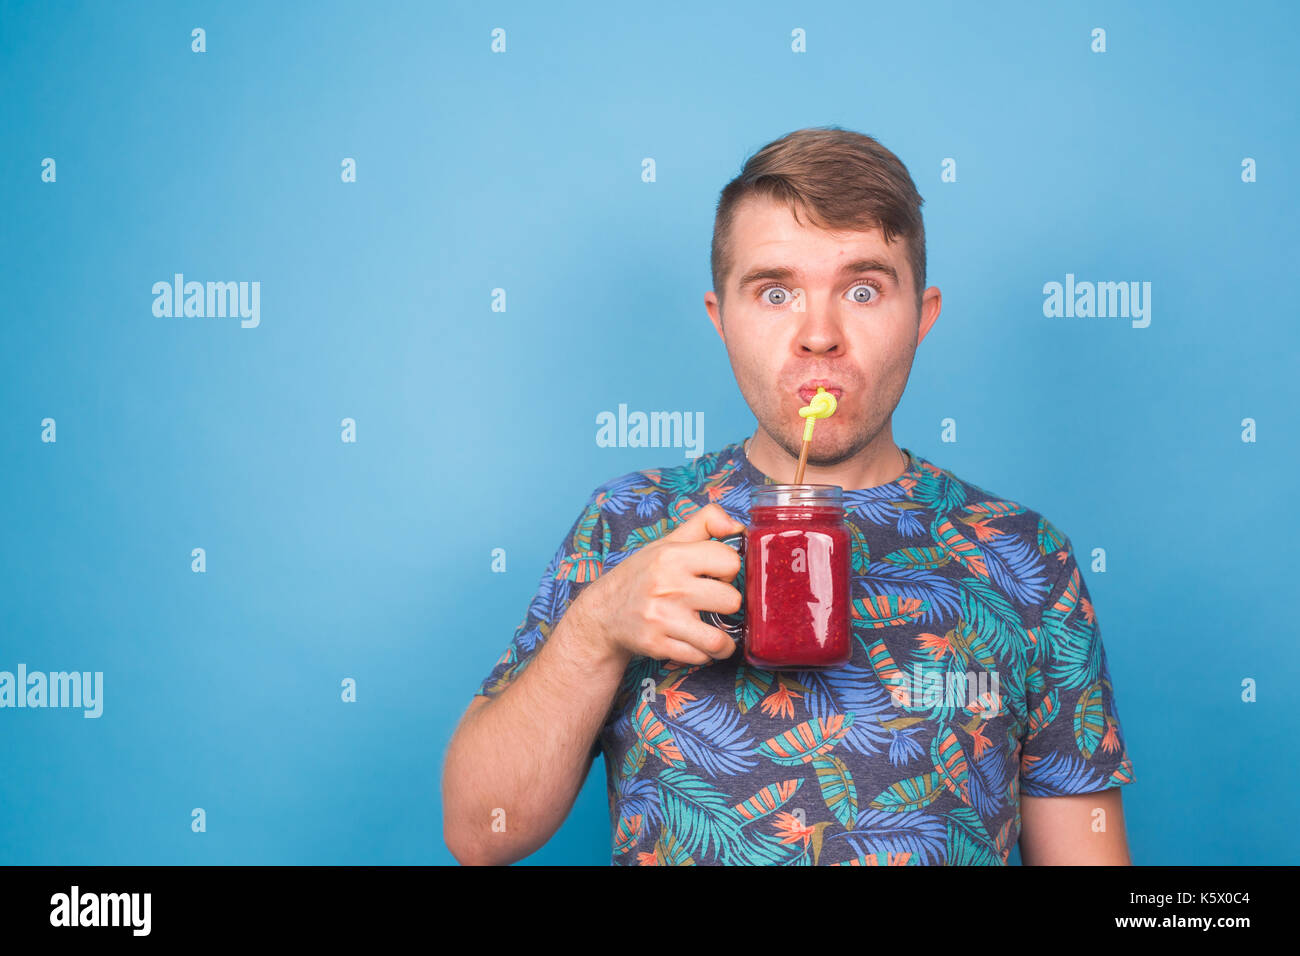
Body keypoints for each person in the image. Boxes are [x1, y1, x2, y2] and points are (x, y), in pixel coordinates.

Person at [441, 126, 1136, 866]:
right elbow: (481, 833)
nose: (819, 336)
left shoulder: (1026, 559)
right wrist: (597, 630)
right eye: (775, 292)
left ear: (922, 316)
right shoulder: (628, 524)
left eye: (863, 289)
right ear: (721, 319)